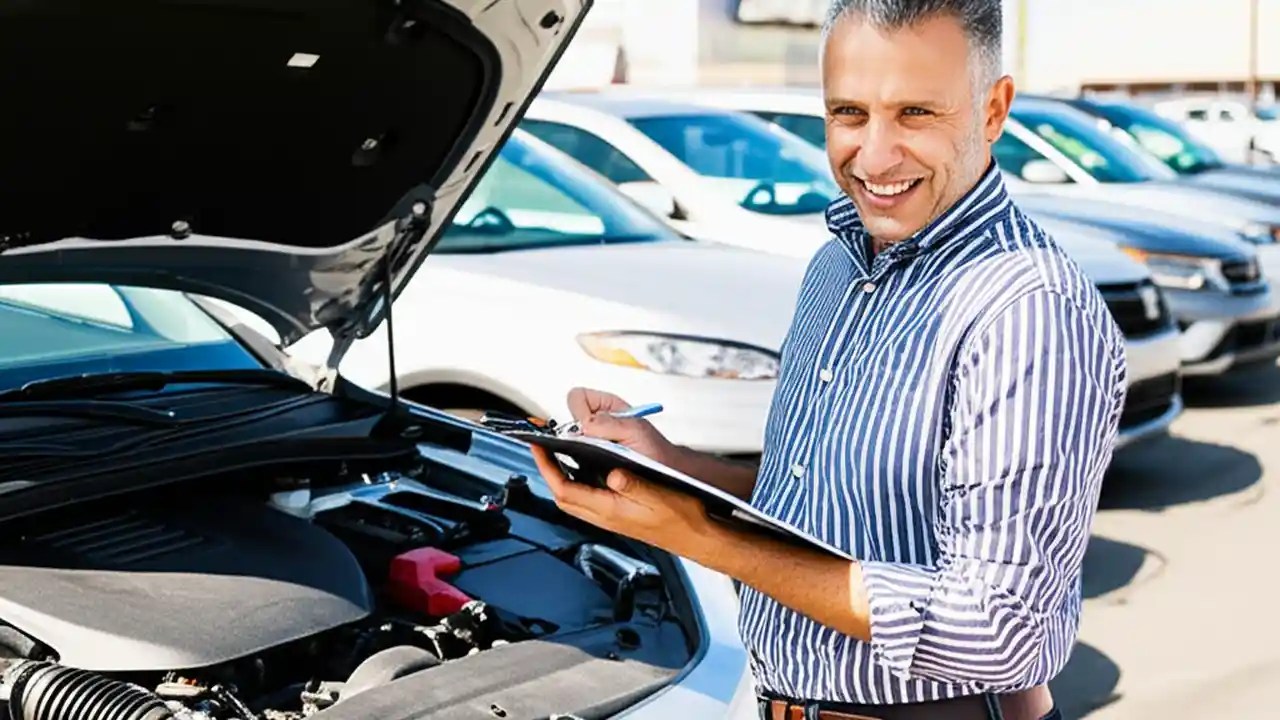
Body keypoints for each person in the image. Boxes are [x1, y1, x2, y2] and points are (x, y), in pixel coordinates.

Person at [528, 1, 1128, 718]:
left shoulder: (1027, 309)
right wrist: (674, 466)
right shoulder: (837, 267)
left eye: (915, 114)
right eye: (849, 112)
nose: (874, 156)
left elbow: (1001, 630)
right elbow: (822, 499)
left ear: (993, 110)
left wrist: (705, 540)